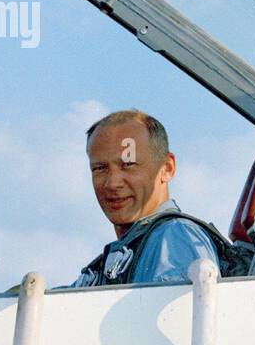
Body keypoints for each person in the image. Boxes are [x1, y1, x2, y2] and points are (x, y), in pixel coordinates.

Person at [71, 110, 222, 286]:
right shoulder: (117, 260)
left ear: (167, 168)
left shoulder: (174, 237)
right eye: (100, 168)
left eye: (128, 165)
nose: (112, 183)